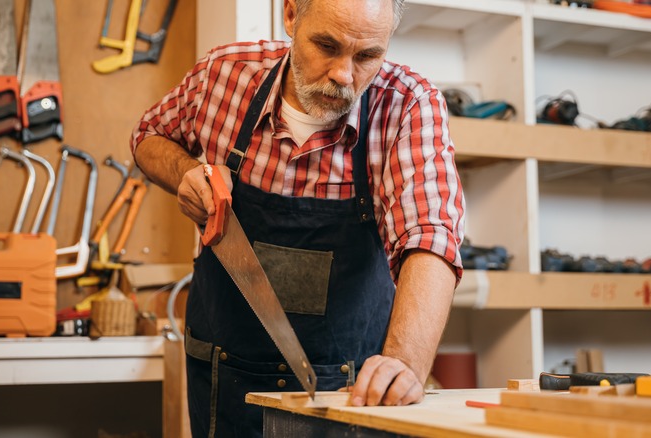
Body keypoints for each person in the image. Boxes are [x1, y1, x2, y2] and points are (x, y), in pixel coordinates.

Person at [131, 0, 465, 435]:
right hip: (225, 374)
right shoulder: (224, 74)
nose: (345, 75)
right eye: (326, 45)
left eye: (367, 56)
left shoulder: (408, 105)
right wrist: (186, 173)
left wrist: (404, 362)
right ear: (291, 15)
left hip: (347, 386)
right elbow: (148, 136)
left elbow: (431, 235)